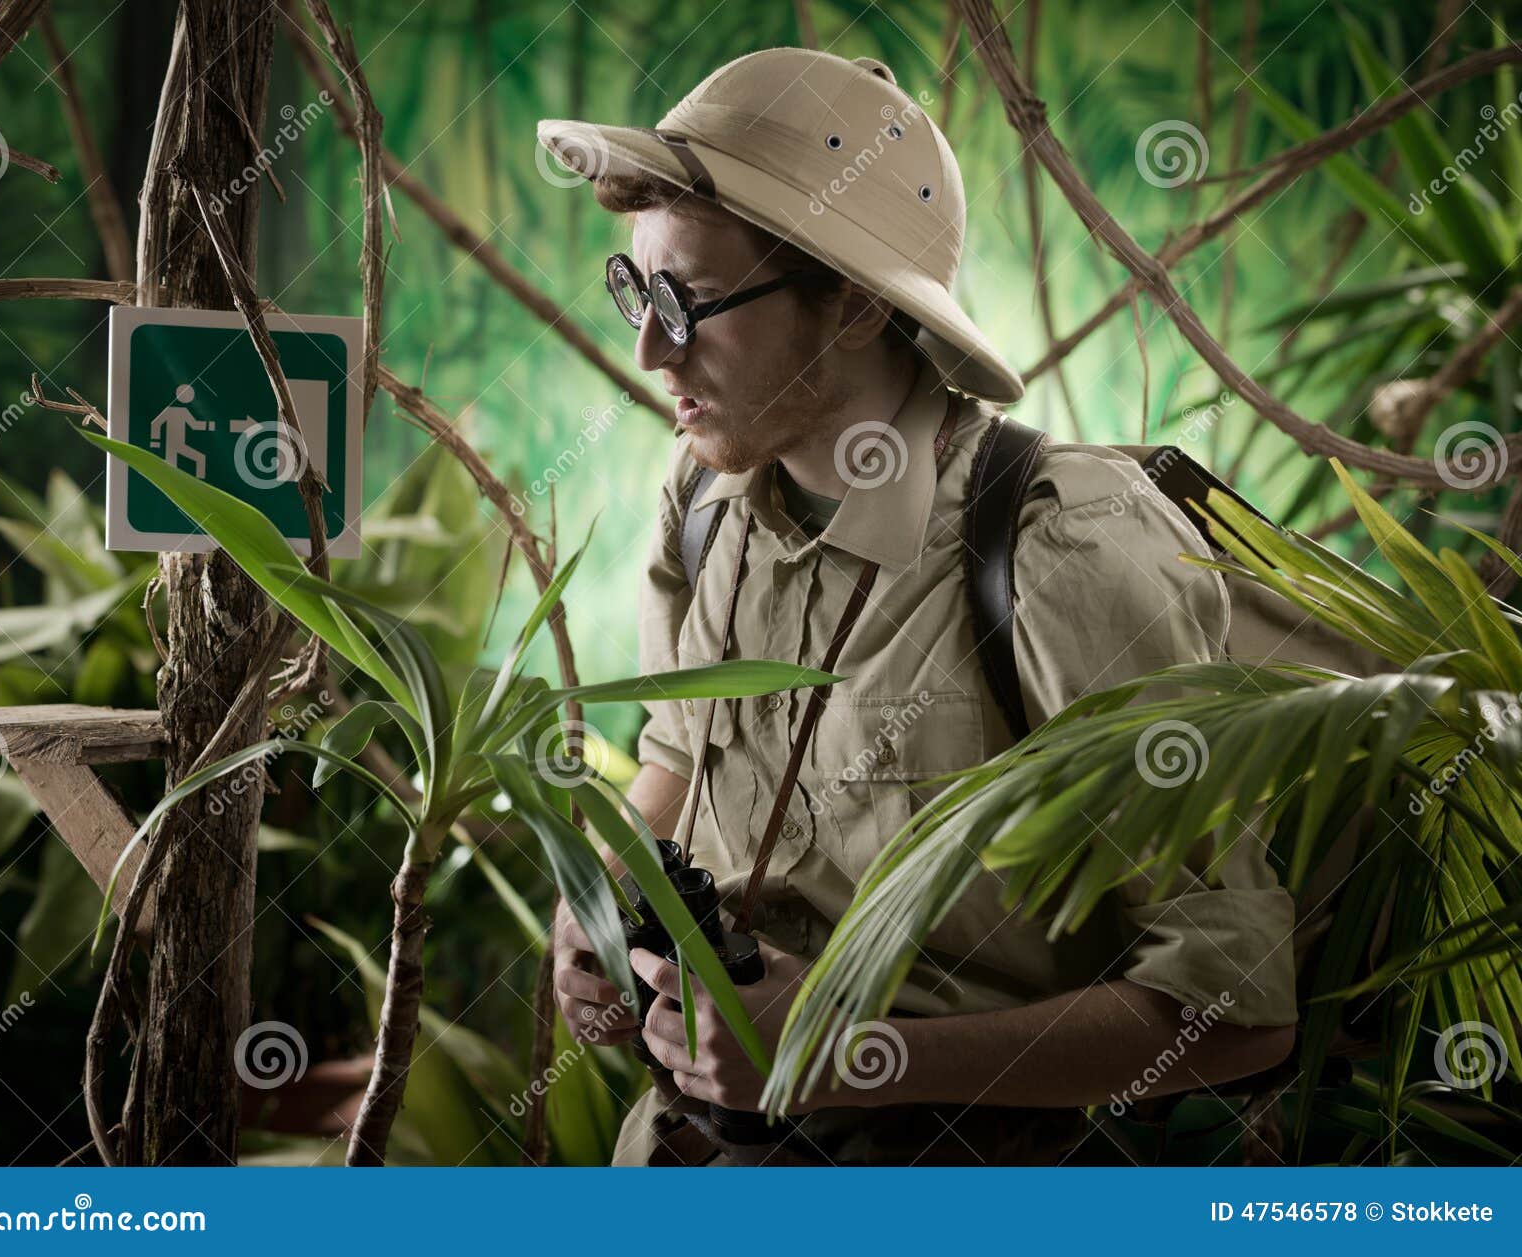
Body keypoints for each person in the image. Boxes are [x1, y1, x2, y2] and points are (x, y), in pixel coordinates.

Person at [537, 47, 1297, 1167]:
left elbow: (1235, 1010)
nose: (650, 349)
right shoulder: (702, 501)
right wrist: (601, 905)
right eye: (636, 291)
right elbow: (677, 758)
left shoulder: (1060, 550)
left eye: (687, 303)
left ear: (851, 305)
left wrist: (853, 1055)